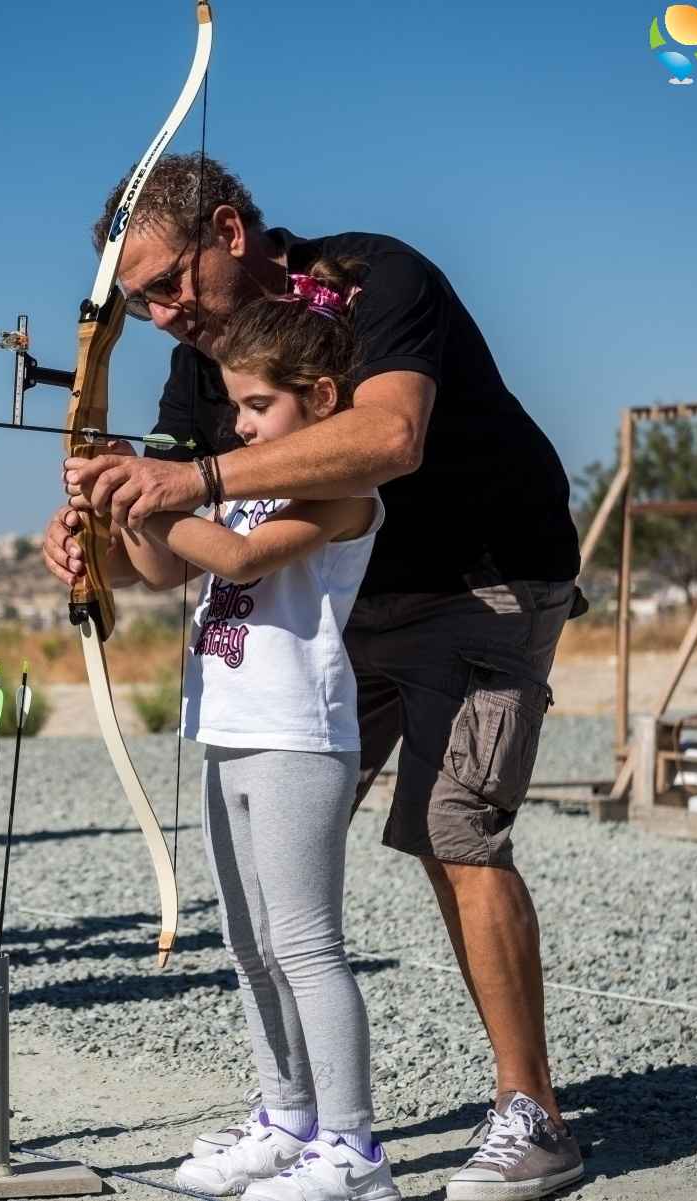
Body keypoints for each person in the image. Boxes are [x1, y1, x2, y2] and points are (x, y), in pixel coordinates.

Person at [45, 155, 584, 1200]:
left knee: (453, 833)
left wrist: (190, 478)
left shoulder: (379, 276)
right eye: (139, 302)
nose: (162, 315)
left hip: (479, 580)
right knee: (263, 906)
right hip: (334, 614)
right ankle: (293, 1115)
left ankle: (532, 1114)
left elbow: (391, 435)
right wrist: (104, 521)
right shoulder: (200, 364)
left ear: (228, 230)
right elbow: (172, 541)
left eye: (169, 283)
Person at [110, 267, 398, 1201]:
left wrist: (155, 492)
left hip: (298, 739)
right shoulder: (243, 487)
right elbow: (163, 569)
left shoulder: (344, 490)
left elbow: (234, 557)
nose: (238, 426)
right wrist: (120, 501)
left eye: (258, 406)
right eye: (235, 406)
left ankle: (353, 1150)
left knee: (306, 945)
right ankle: (288, 1118)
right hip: (231, 730)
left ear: (323, 399)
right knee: (250, 942)